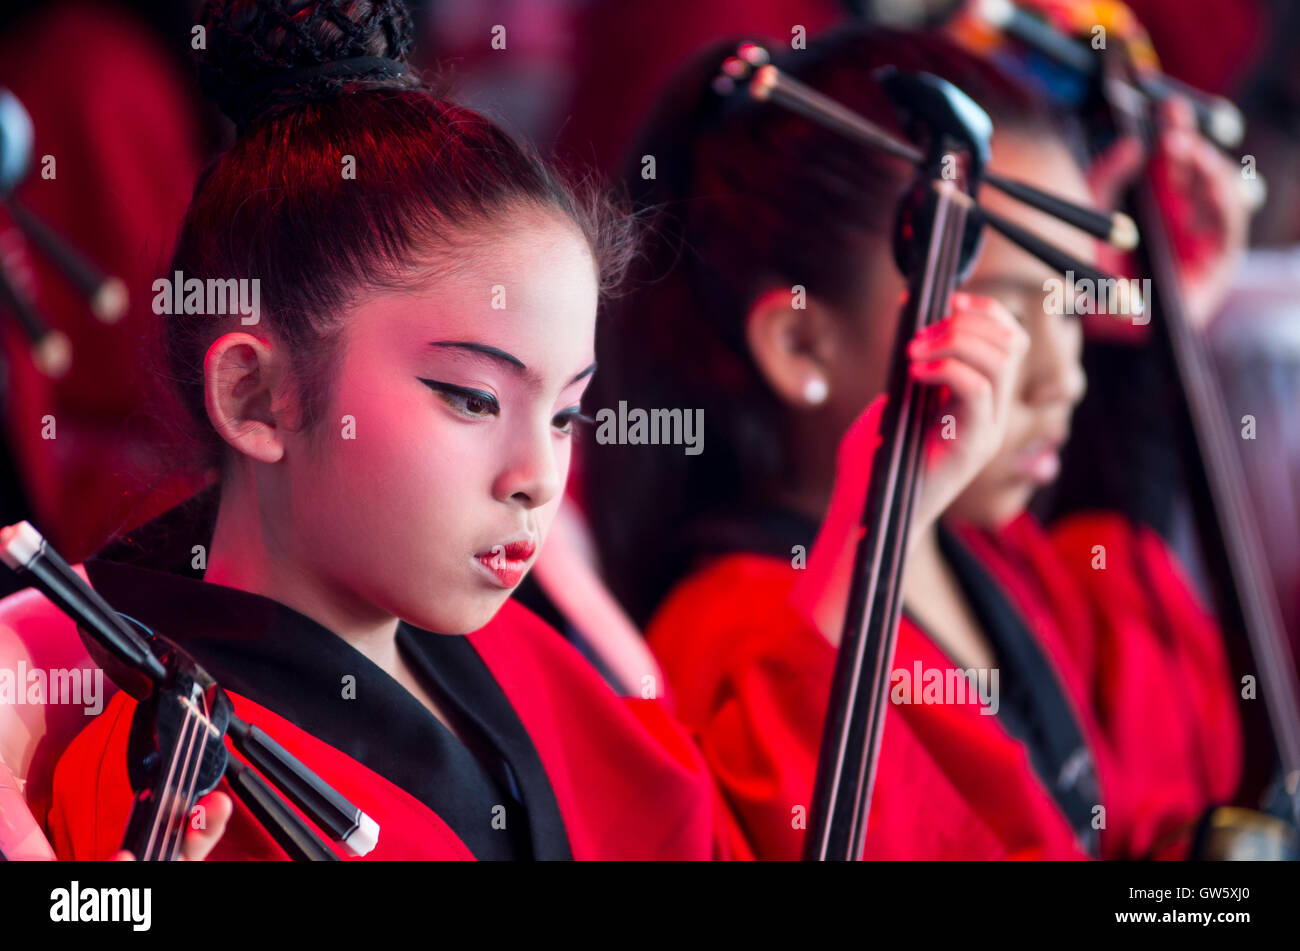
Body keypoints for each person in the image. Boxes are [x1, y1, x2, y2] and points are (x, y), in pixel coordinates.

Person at [21, 0, 737, 861]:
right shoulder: (174, 780)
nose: (536, 476)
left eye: (566, 414)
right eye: (472, 399)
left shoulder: (513, 645)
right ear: (256, 396)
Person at [586, 25, 1243, 859]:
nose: (1063, 377)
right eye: (1002, 308)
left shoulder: (989, 551)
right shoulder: (734, 636)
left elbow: (1140, 779)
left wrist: (1167, 339)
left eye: (1072, 302)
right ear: (801, 344)